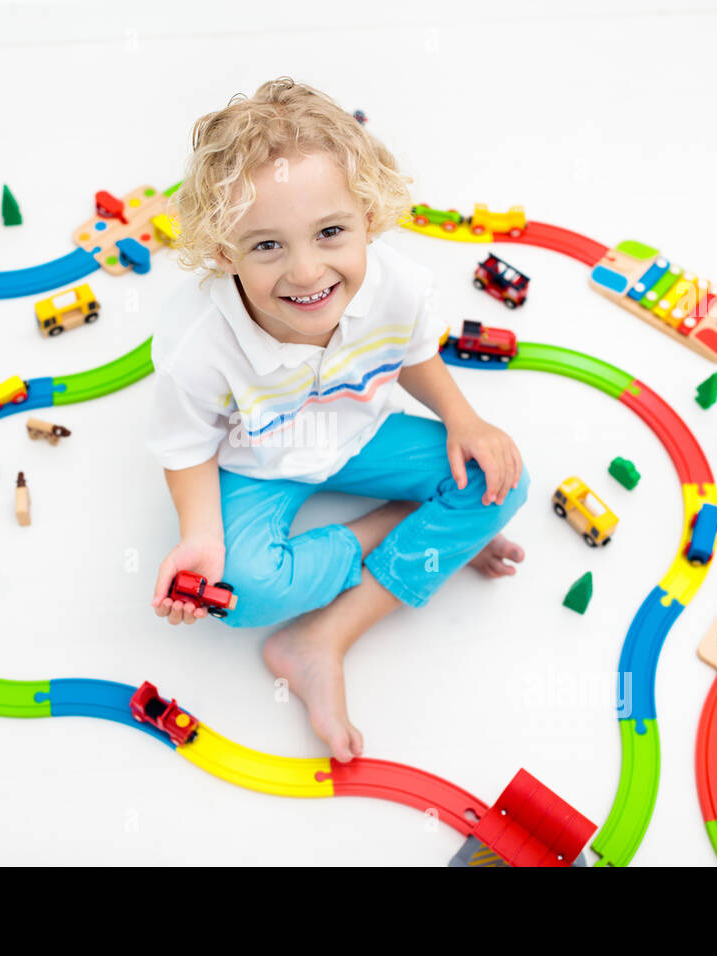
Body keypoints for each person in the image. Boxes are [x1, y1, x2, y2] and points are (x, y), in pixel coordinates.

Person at [146, 77, 529, 762]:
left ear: (369, 218)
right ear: (223, 253)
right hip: (258, 462)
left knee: (501, 481)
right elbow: (186, 447)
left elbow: (413, 353)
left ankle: (324, 637)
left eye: (330, 232)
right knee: (244, 593)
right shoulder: (194, 342)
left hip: (361, 435)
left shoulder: (398, 284)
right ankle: (396, 528)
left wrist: (463, 420)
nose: (306, 270)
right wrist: (200, 537)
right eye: (266, 246)